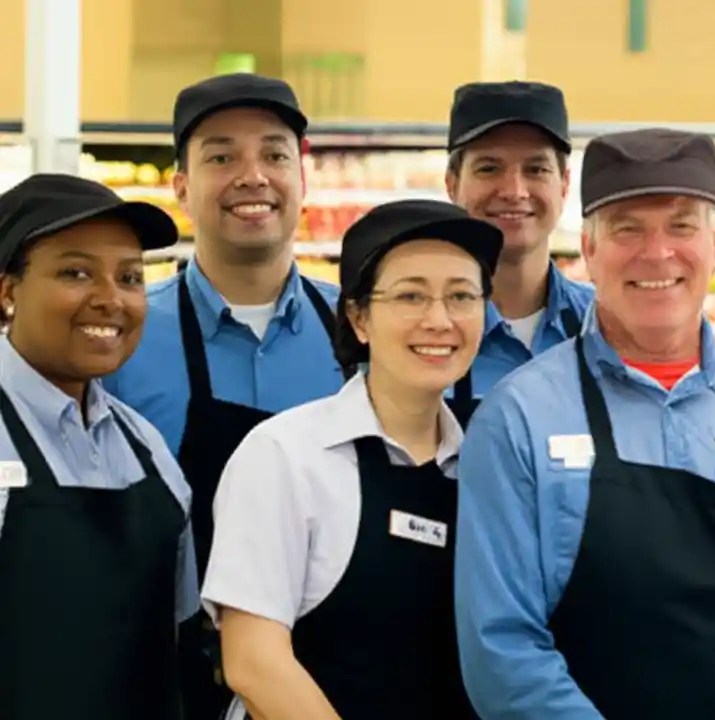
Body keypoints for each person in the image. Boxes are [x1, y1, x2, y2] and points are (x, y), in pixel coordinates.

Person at [454, 128, 715, 719]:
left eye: (681, 226)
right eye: (628, 227)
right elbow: (501, 647)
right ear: (589, 249)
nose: (656, 253)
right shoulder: (520, 416)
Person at [101, 73, 344, 720]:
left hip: (329, 679)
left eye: (273, 153)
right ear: (181, 186)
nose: (252, 175)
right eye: (220, 156)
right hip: (162, 679)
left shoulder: (363, 336)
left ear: (302, 176)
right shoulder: (118, 338)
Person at [200, 199, 500, 719]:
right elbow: (253, 662)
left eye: (461, 296)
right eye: (410, 295)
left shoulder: (488, 464)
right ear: (359, 317)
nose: (439, 319)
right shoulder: (287, 456)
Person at [0, 174, 198, 719]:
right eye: (75, 272)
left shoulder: (145, 446)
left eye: (130, 277)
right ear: (8, 290)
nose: (110, 299)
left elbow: (180, 628)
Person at [443, 80, 595, 427]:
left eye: (536, 169)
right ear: (452, 183)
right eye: (489, 168)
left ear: (564, 185)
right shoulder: (418, 334)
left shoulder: (609, 328)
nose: (514, 191)